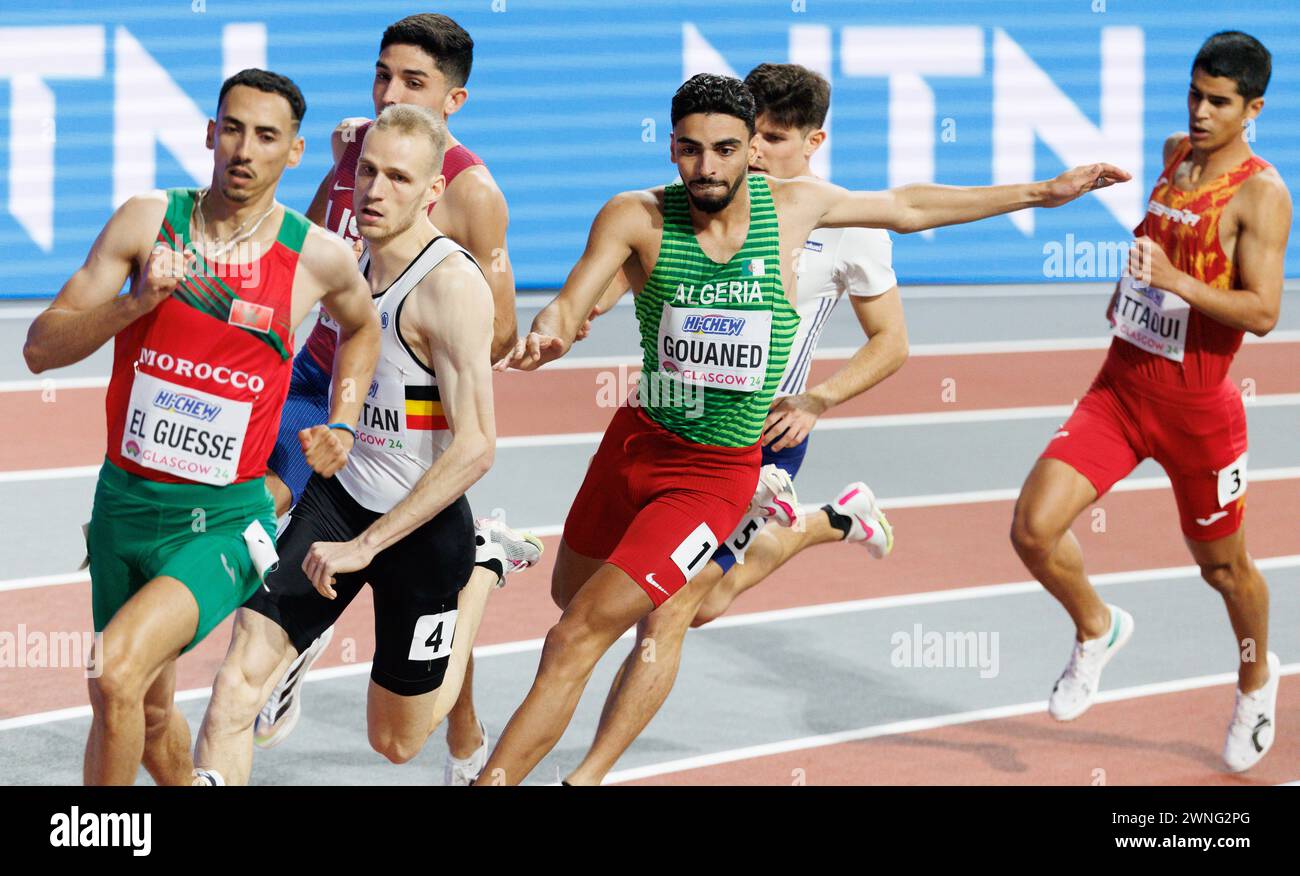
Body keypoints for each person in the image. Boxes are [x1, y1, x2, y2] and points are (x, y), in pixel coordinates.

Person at [480, 72, 1128, 784]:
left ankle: (578, 777)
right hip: (636, 442)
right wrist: (552, 332)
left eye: (729, 148)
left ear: (752, 146)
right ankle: (829, 522)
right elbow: (578, 298)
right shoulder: (635, 215)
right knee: (574, 600)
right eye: (692, 150)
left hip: (726, 466)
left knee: (601, 631)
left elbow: (909, 208)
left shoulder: (801, 210)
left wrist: (1040, 192)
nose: (711, 166)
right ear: (671, 149)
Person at [22, 69, 382, 785]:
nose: (244, 149)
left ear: (296, 151)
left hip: (221, 521)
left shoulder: (315, 257)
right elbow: (39, 348)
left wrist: (342, 419)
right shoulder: (145, 222)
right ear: (210, 134)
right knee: (146, 713)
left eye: (266, 136)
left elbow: (362, 326)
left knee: (114, 671)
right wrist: (135, 303)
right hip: (123, 507)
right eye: (233, 129)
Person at [564, 63, 906, 786]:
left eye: (774, 141)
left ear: (813, 141)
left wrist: (818, 399)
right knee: (700, 602)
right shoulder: (705, 205)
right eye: (754, 138)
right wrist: (583, 309)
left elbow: (893, 344)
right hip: (675, 429)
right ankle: (829, 522)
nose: (755, 156)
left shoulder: (836, 222)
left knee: (674, 613)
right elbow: (647, 275)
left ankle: (587, 776)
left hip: (764, 443)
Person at [254, 14, 538, 785]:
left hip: (399, 419)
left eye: (412, 82)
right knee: (242, 500)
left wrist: (408, 346)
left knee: (396, 737)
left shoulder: (473, 194)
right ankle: (283, 643)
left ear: (453, 100)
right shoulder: (354, 149)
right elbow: (308, 244)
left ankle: (468, 574)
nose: (388, 94)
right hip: (319, 381)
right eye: (382, 75)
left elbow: (501, 330)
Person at [1010, 31, 1290, 772]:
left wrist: (1173, 280)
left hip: (1198, 414)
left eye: (1219, 102)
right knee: (1033, 531)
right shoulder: (1173, 154)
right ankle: (1097, 627)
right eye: (1195, 94)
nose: (1200, 112)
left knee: (1223, 570)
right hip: (1120, 390)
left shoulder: (1262, 194)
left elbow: (1263, 313)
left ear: (1253, 108)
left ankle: (1258, 679)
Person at [193, 104, 498, 785]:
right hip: (340, 500)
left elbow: (477, 447)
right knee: (235, 688)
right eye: (366, 171)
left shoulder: (449, 287)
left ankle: (483, 572)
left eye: (397, 177)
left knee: (396, 741)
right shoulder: (348, 261)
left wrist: (367, 548)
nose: (375, 190)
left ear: (432, 192)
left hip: (422, 528)